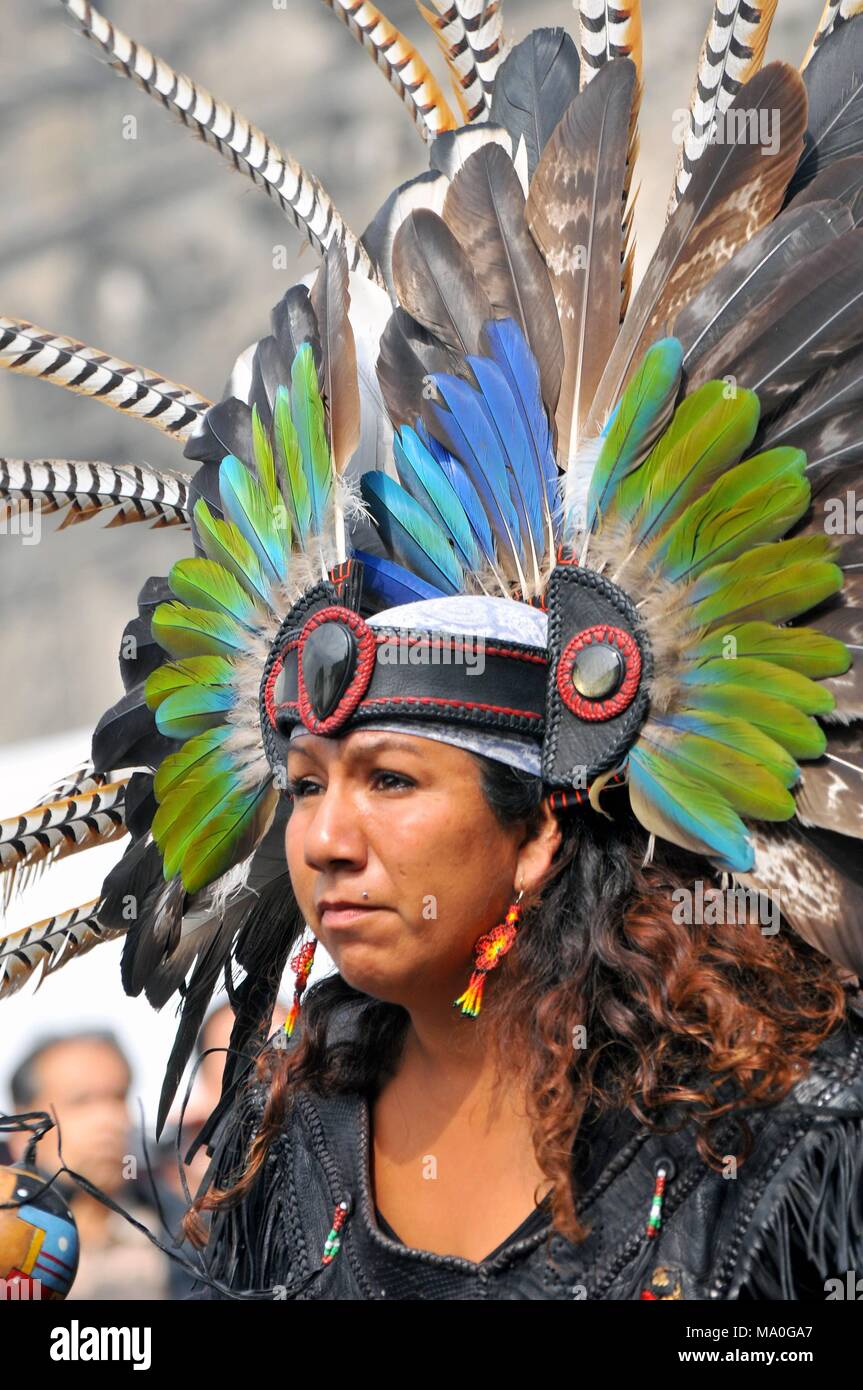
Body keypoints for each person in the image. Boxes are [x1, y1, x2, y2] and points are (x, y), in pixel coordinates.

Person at [3, 1, 863, 1302]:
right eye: (303, 786)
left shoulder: (781, 1163)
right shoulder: (275, 1156)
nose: (324, 839)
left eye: (389, 780)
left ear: (533, 826)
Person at [5, 1031, 184, 1299]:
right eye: (81, 1100)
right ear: (23, 1130)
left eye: (118, 1097)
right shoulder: (9, 1234)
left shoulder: (183, 1231)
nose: (109, 1119)